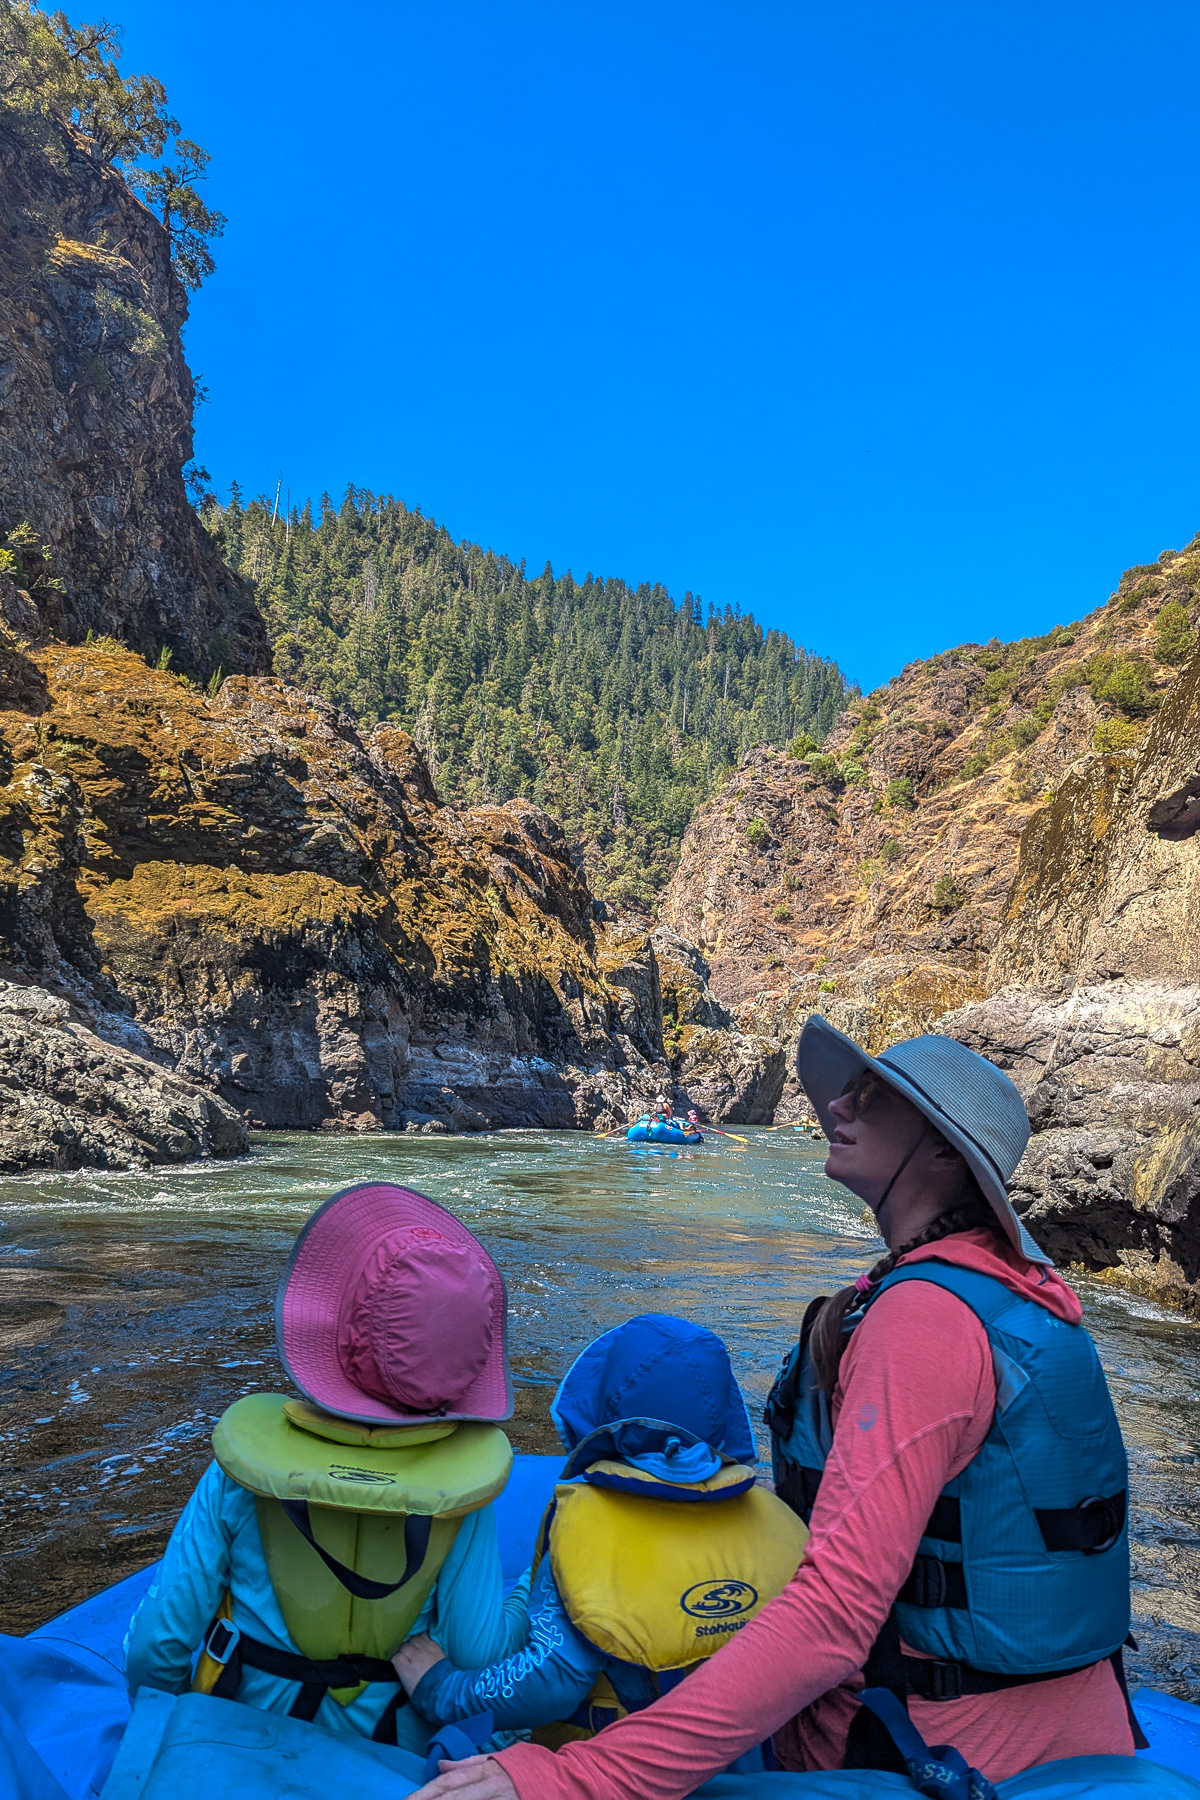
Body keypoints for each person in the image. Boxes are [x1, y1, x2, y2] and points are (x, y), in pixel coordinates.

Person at [405, 1019, 1137, 1800]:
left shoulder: (921, 1320)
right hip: (1080, 1732)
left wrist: (579, 1778)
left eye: (873, 1099)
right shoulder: (1012, 1291)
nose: (839, 1108)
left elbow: (833, 1617)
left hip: (943, 1755)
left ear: (947, 1154)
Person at [124, 1182, 524, 1753]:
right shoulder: (462, 1495)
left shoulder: (242, 1473)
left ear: (334, 1324)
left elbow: (155, 1647)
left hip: (237, 1747)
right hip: (390, 1756)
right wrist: (530, 1593)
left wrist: (167, 1742)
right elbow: (479, 1653)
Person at [392, 1314, 806, 1747]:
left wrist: (440, 1690)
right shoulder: (776, 1517)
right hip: (746, 1757)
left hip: (617, 1759)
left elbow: (552, 1681)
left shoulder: (584, 1527)